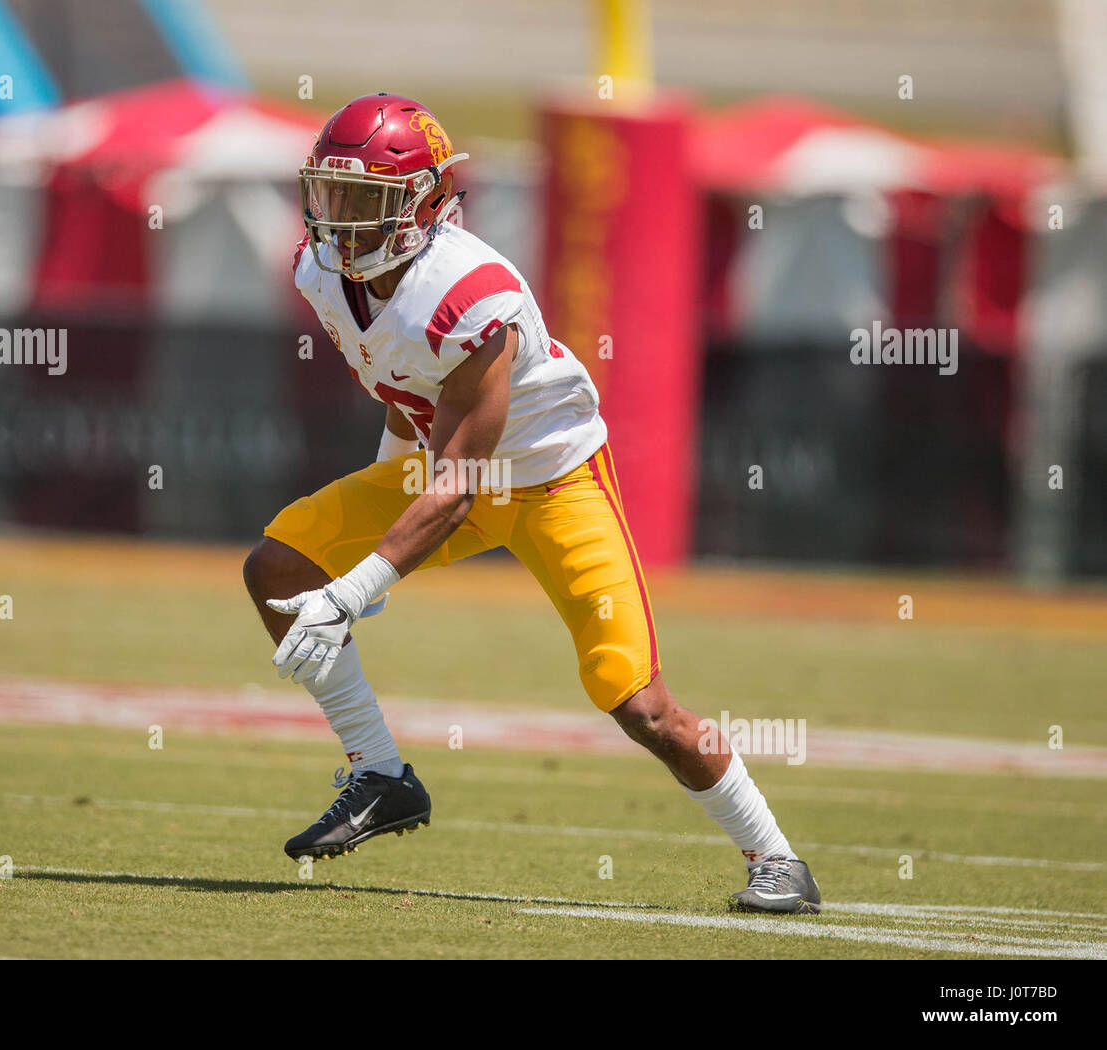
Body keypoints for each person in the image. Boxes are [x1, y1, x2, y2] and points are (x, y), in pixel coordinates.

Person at [243, 93, 820, 913]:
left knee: (640, 702)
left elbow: (459, 482)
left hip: (550, 483)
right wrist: (367, 529)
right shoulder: (321, 272)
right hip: (440, 471)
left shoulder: (473, 293)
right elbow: (406, 393)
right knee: (277, 566)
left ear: (427, 204)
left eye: (367, 202)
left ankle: (777, 857)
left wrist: (354, 588)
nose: (343, 224)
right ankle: (379, 773)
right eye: (333, 198)